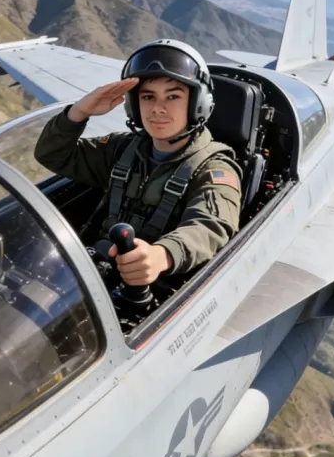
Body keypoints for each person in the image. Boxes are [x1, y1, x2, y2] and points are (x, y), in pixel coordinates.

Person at [34, 39, 242, 291]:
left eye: (173, 96)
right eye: (147, 97)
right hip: (93, 271)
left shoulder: (214, 169)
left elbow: (210, 227)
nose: (157, 108)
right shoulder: (123, 149)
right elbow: (52, 154)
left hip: (151, 291)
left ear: (198, 103)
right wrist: (78, 112)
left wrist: (161, 255)